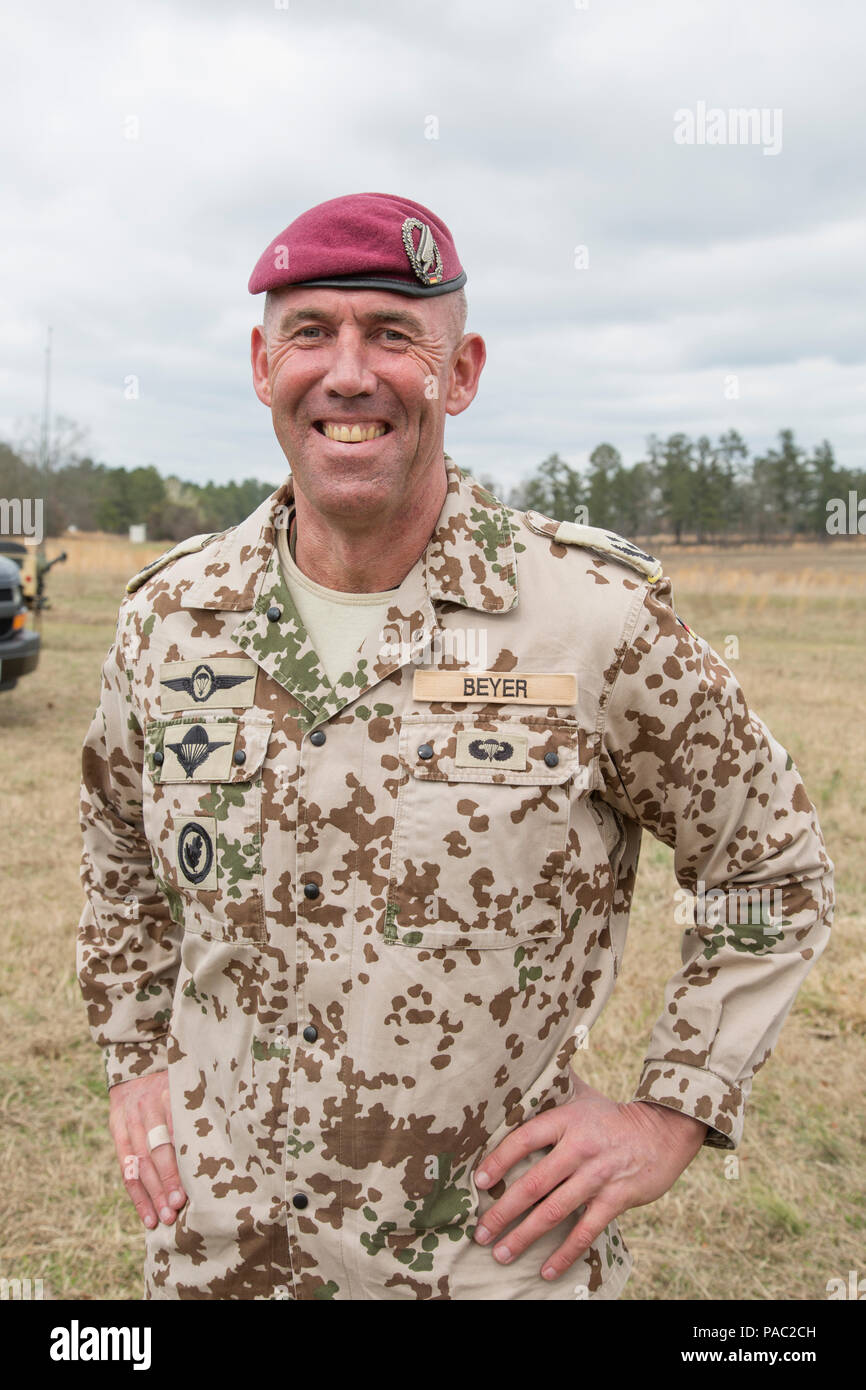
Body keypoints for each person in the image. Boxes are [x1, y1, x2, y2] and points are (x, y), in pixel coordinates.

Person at [77, 191, 834, 1301]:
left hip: (480, 1263)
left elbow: (770, 861)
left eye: (391, 335)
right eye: (310, 332)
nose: (346, 374)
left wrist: (671, 1107)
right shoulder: (172, 617)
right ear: (259, 364)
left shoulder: (587, 620)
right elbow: (114, 838)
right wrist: (137, 1057)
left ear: (461, 372)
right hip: (217, 1260)